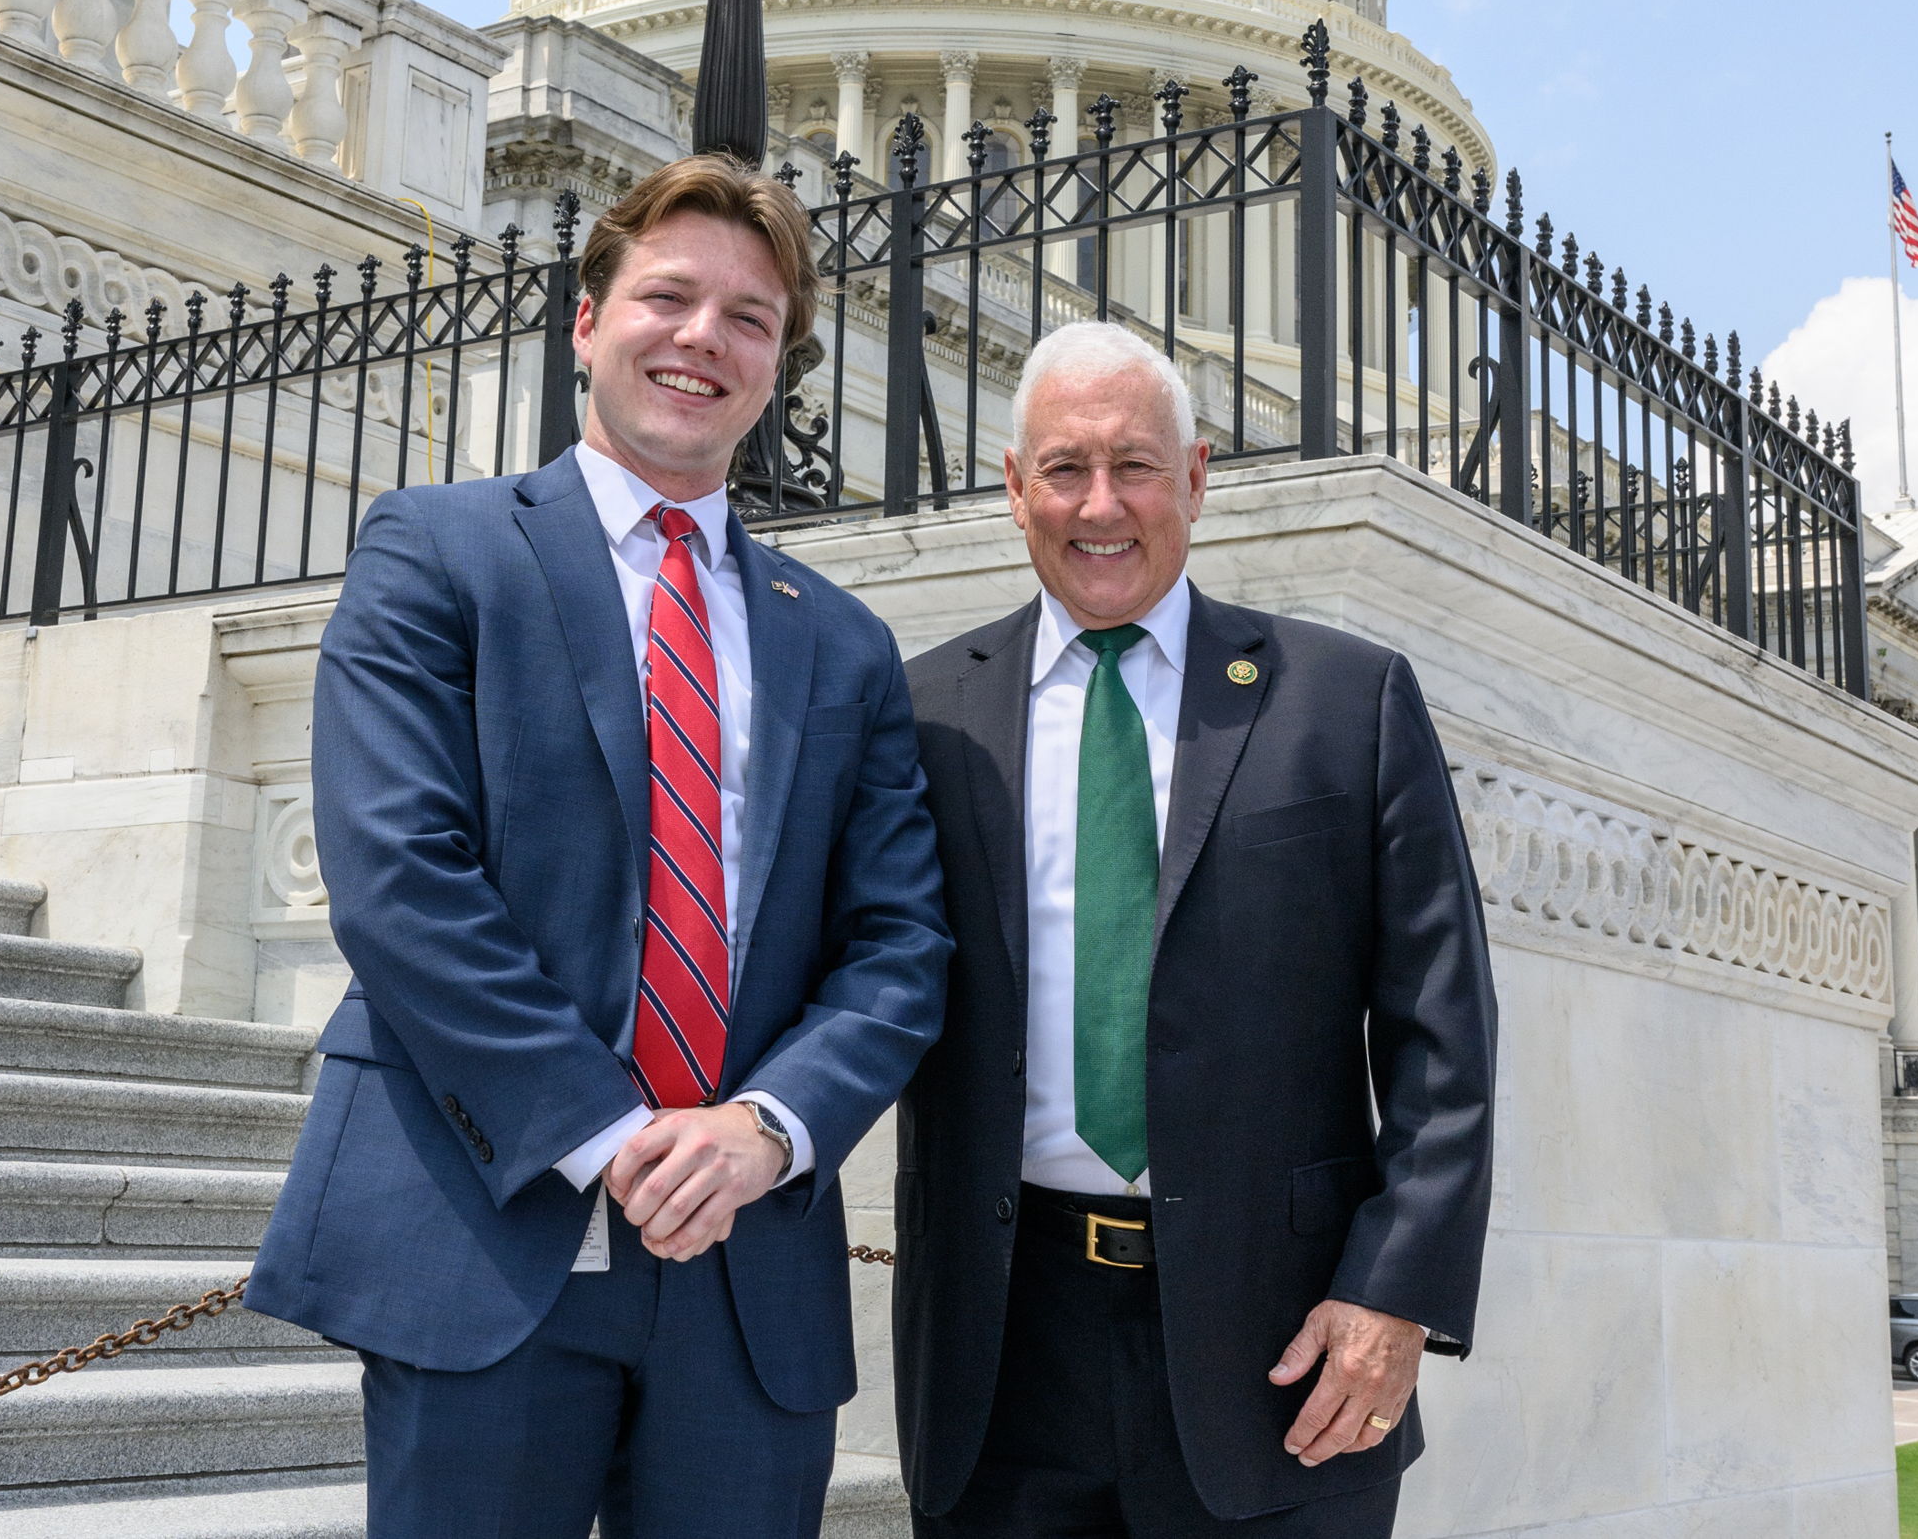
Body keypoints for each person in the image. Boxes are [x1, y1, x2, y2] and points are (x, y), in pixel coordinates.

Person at [249, 154, 951, 1539]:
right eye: (669, 296)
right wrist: (611, 1132)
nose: (703, 339)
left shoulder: (843, 640)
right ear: (588, 322)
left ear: (778, 367)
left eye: (750, 318)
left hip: (745, 1267)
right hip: (486, 1221)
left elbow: (901, 944)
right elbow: (399, 874)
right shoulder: (437, 551)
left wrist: (765, 1129)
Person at [894, 319, 1496, 1539]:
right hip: (1001, 1359)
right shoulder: (922, 713)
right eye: (1064, 467)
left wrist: (1393, 1298)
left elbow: (1444, 1037)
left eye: (1136, 465)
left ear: (1198, 478)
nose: (1099, 503)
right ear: (1014, 489)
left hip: (1284, 1357)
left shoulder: (1345, 699)